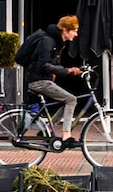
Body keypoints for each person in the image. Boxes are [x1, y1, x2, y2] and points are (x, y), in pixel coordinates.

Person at [16, 14, 86, 144]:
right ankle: (66, 136)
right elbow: (44, 65)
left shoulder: (57, 42)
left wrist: (70, 71)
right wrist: (67, 71)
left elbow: (52, 64)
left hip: (41, 79)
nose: (76, 34)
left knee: (64, 100)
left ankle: (47, 128)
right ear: (65, 30)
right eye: (74, 31)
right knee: (71, 100)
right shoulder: (49, 41)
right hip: (38, 81)